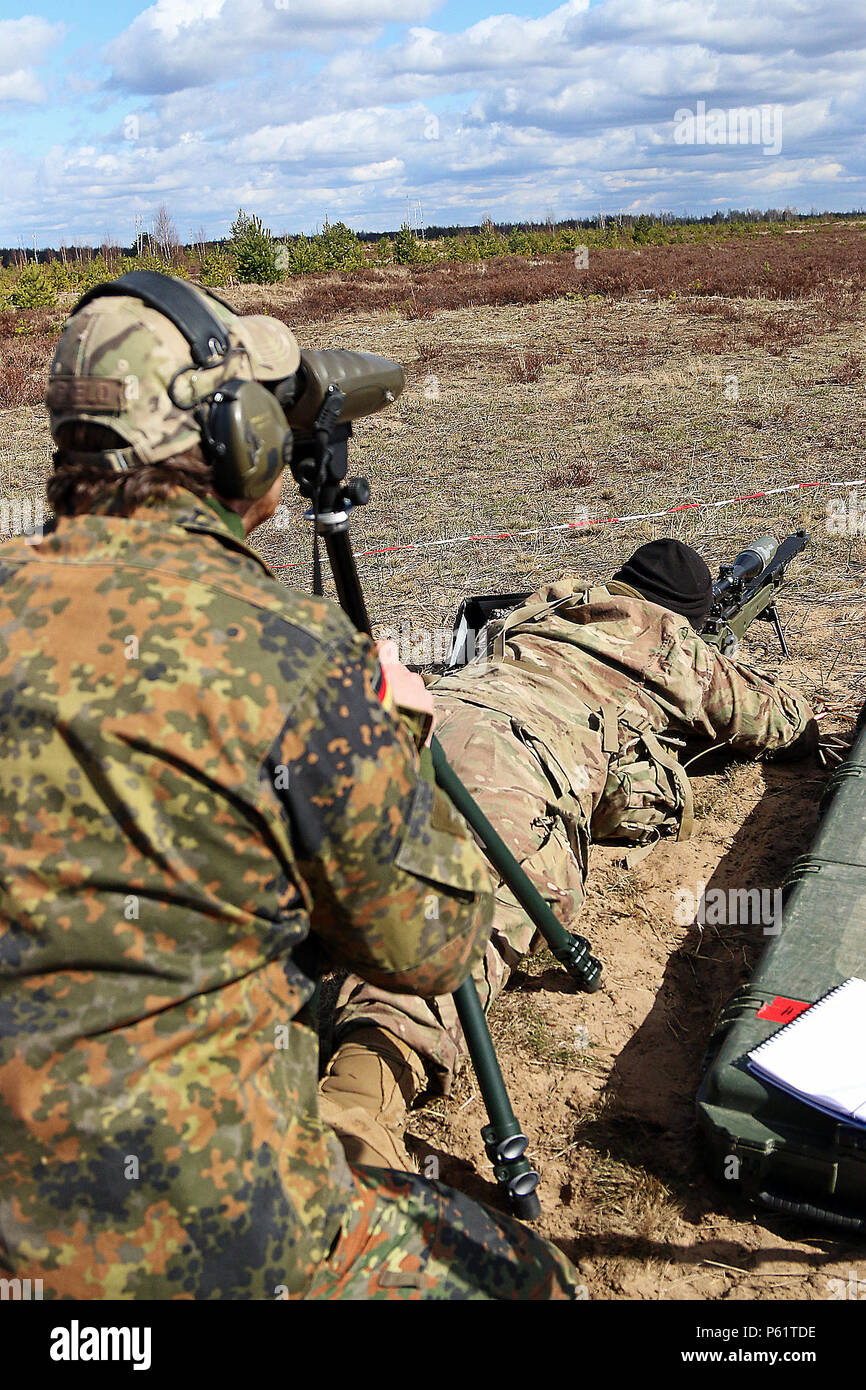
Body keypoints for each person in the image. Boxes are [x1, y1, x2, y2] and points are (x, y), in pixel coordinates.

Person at [0, 273, 581, 1300]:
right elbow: (431, 945)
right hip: (215, 1250)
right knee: (536, 1281)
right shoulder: (291, 657)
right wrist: (394, 733)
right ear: (237, 440)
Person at [320, 538, 819, 1168]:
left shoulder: (553, 605)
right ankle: (352, 1113)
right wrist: (719, 665)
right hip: (506, 758)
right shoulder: (668, 639)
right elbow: (782, 723)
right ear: (686, 615)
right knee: (454, 926)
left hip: (420, 712)